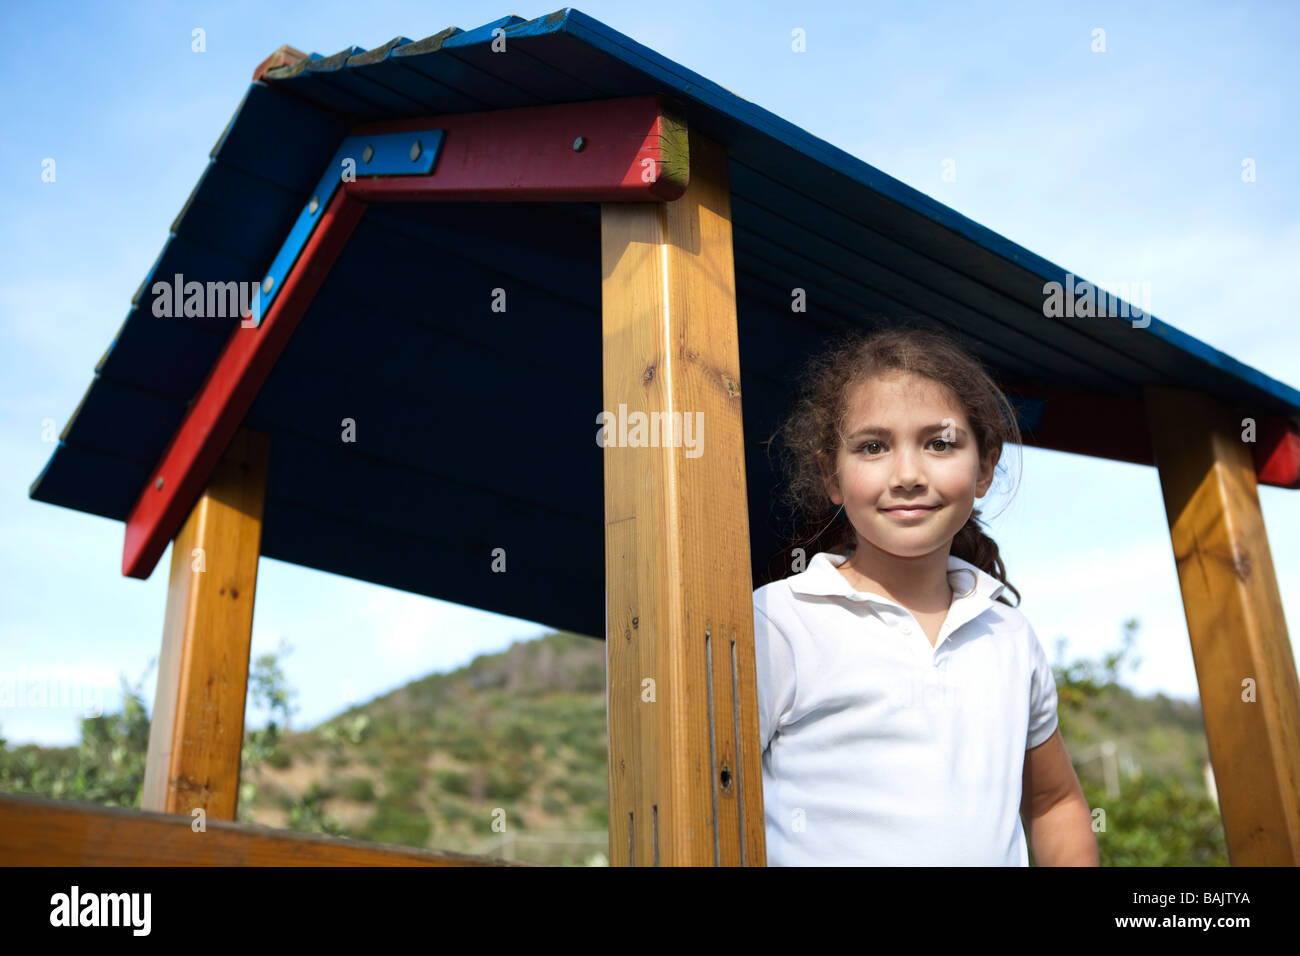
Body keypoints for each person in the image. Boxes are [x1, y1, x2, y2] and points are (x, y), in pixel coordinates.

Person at [755, 325, 1098, 866]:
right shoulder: (777, 621)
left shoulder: (1008, 635)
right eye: (873, 447)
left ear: (985, 467)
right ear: (832, 476)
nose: (909, 474)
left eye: (939, 443)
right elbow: (704, 803)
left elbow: (1055, 804)